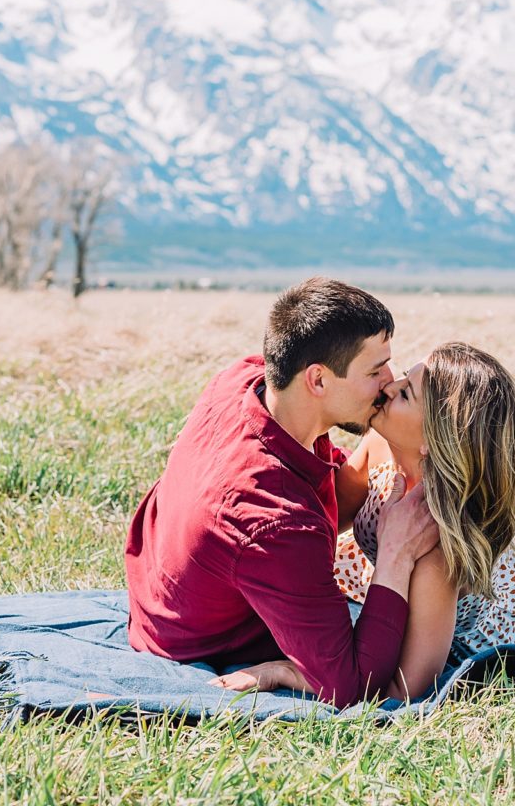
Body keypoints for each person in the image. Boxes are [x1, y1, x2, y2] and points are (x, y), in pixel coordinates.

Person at [125, 278, 439, 709]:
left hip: (158, 591)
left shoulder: (244, 381)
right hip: (190, 640)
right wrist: (397, 554)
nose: (389, 382)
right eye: (374, 371)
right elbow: (353, 686)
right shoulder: (277, 521)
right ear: (318, 380)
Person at [223, 342, 515, 701]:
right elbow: (324, 520)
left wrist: (285, 670)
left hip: (481, 628)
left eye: (406, 394)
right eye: (405, 376)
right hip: (400, 565)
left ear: (432, 440)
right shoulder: (379, 444)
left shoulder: (437, 556)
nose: (389, 387)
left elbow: (401, 689)